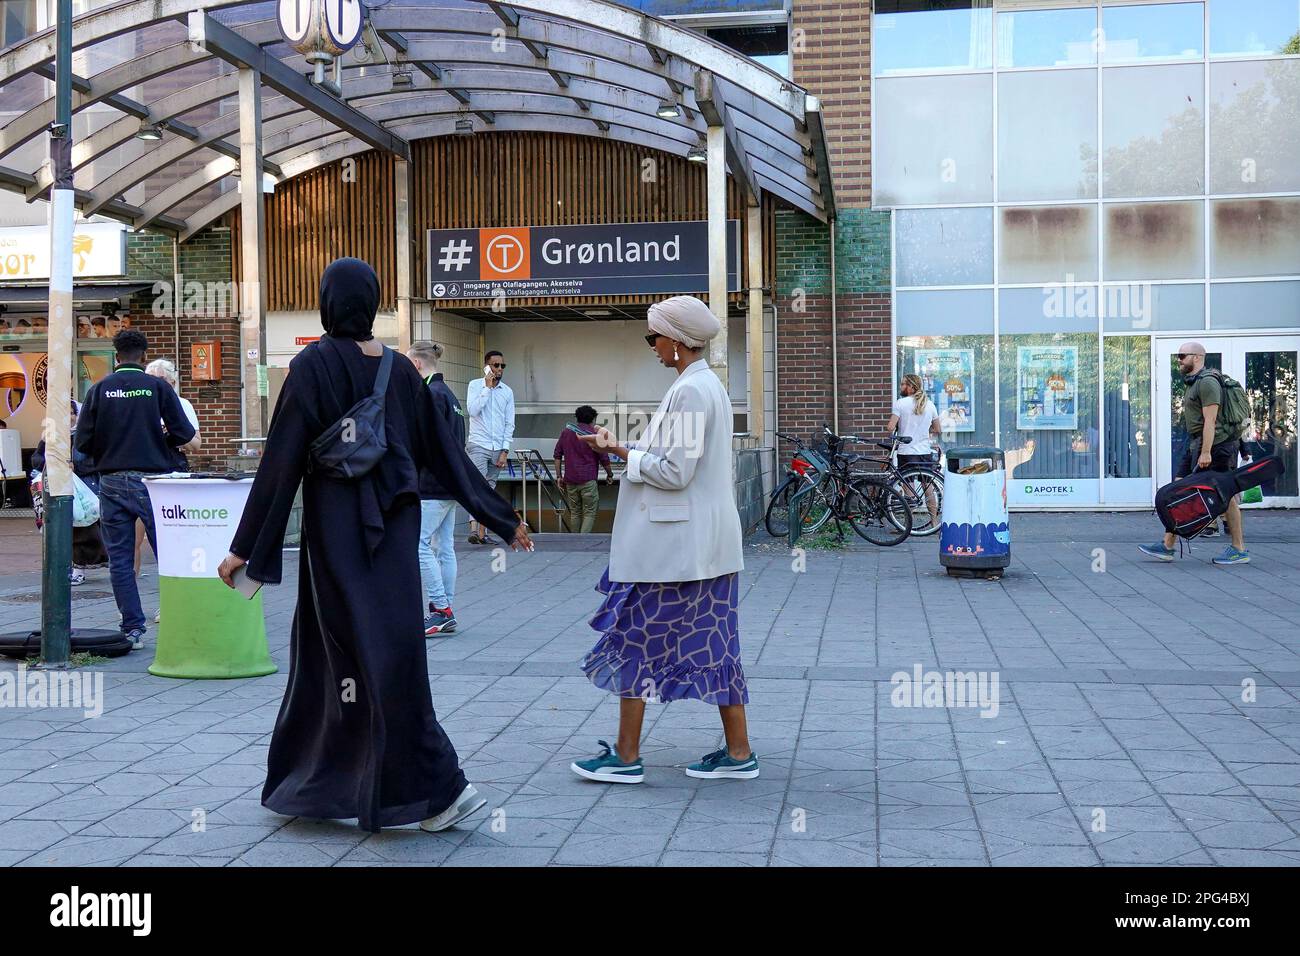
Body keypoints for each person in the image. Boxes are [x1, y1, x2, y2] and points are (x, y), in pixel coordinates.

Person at [216, 258, 532, 835]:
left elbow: (281, 462)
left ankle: (428, 788)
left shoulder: (311, 366)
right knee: (390, 653)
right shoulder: (403, 372)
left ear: (327, 302)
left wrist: (245, 549)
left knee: (338, 657)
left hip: (337, 535)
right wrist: (500, 515)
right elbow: (448, 455)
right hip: (395, 533)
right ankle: (335, 786)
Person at [569, 295, 754, 785]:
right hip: (701, 549)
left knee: (634, 639)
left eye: (654, 337)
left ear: (676, 340)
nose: (651, 345)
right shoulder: (701, 386)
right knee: (715, 646)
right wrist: (623, 448)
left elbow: (675, 472)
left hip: (676, 550)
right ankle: (739, 753)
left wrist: (621, 452)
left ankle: (626, 758)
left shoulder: (692, 391)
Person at [74, 329, 195, 649]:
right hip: (153, 483)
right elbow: (184, 433)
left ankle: (132, 629)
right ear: (143, 356)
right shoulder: (157, 387)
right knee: (167, 554)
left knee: (121, 558)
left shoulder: (99, 390)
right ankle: (180, 617)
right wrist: (160, 442)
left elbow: (82, 442)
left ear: (116, 356)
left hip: (111, 482)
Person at [1140, 341, 1248, 565]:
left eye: (1182, 356)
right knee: (1179, 489)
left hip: (1217, 446)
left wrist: (1206, 452)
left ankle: (1239, 549)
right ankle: (1167, 545)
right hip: (1198, 444)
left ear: (1197, 357)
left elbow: (1211, 420)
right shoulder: (1194, 382)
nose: (1178, 361)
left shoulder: (1208, 382)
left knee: (1225, 496)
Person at [406, 340, 464, 637]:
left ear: (416, 364)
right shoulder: (451, 396)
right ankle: (446, 610)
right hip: (451, 484)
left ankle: (441, 609)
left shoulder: (428, 394)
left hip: (430, 484)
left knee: (419, 545)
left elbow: (421, 444)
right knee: (445, 548)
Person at [134, 359, 202, 607]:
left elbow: (196, 443)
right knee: (134, 540)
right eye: (150, 380)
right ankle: (132, 608)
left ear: (172, 383)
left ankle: (171, 603)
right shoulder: (137, 403)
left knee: (169, 542)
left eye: (160, 381)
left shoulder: (181, 404)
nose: (154, 386)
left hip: (171, 475)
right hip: (140, 476)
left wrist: (172, 435)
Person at [465, 349, 514, 545]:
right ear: (487, 366)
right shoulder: (475, 385)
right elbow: (473, 410)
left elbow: (509, 423)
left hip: (498, 447)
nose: (500, 369)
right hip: (478, 444)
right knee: (478, 485)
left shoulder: (507, 392)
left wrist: (505, 450)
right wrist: (486, 388)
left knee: (490, 488)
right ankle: (474, 529)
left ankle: (483, 533)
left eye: (502, 365)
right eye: (496, 365)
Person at [887, 372, 941, 525]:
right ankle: (934, 522)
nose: (901, 387)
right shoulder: (929, 404)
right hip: (924, 452)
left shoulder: (900, 403)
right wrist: (923, 432)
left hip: (907, 451)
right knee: (927, 487)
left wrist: (899, 429)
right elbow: (937, 428)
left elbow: (890, 427)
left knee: (908, 487)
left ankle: (907, 525)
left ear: (911, 387)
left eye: (903, 384)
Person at [554, 405, 613, 533]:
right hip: (588, 480)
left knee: (575, 512)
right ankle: (582, 540)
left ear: (577, 418)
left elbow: (557, 455)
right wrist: (610, 474)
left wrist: (559, 477)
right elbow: (604, 458)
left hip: (570, 480)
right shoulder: (594, 434)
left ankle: (575, 541)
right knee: (589, 512)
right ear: (593, 419)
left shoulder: (566, 433)